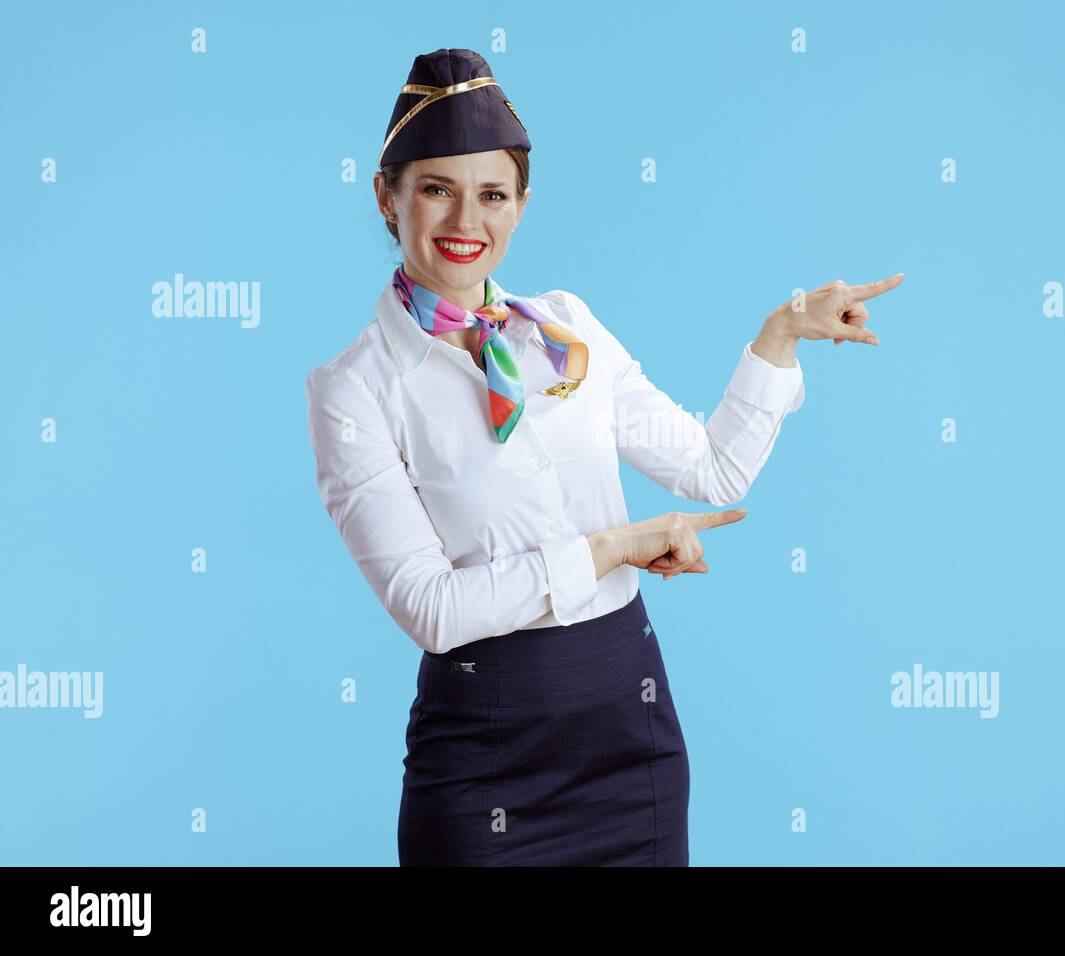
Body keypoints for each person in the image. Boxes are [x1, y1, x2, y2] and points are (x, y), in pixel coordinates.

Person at [304, 48, 904, 866]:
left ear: (520, 205)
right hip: (486, 756)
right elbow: (432, 610)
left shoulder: (565, 329)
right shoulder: (354, 387)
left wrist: (780, 338)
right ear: (388, 197)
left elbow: (713, 471)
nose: (465, 222)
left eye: (492, 195)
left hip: (631, 728)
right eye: (436, 189)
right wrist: (614, 547)